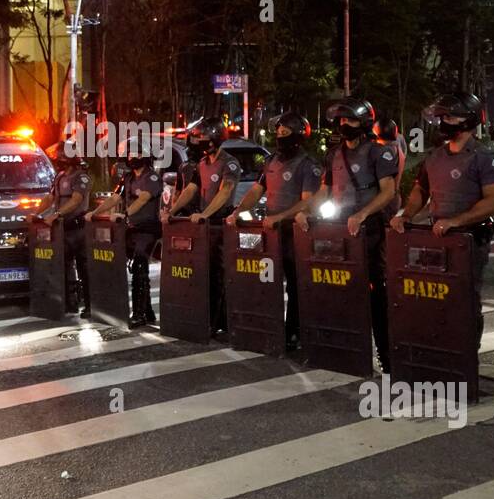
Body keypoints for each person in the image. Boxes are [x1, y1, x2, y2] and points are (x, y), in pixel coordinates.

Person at [391, 93, 494, 347]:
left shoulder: (485, 158)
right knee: (433, 294)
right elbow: (420, 191)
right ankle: (440, 346)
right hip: (435, 239)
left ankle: (466, 352)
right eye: (442, 117)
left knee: (464, 297)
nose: (444, 122)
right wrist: (405, 216)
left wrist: (456, 221)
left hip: (468, 239)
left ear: (469, 120)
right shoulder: (434, 157)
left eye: (451, 117)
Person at [299, 97, 399, 370]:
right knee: (338, 286)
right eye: (341, 120)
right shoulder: (333, 154)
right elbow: (325, 190)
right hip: (339, 229)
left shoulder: (379, 153)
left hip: (370, 228)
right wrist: (309, 211)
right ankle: (343, 349)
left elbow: (388, 191)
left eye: (350, 120)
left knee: (377, 290)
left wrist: (363, 214)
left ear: (364, 123)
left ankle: (387, 354)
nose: (345, 125)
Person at [227, 112, 321, 349]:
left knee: (295, 284)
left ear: (298, 136)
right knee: (265, 281)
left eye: (285, 133)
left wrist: (280, 217)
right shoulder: (270, 162)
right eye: (278, 133)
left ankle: (294, 332)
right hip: (270, 234)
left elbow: (308, 202)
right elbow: (256, 191)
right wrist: (238, 211)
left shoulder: (308, 165)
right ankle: (268, 327)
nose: (280, 137)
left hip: (293, 233)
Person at [173, 119, 242, 334]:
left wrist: (206, 214)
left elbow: (225, 191)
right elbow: (190, 189)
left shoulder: (229, 163)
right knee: (205, 273)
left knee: (220, 274)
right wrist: (172, 210)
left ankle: (221, 321)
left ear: (215, 139)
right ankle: (208, 318)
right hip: (203, 226)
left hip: (219, 223)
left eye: (203, 139)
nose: (199, 142)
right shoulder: (201, 164)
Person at [87, 137, 162, 327]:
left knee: (139, 265)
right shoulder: (127, 178)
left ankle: (139, 314)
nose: (131, 157)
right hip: (130, 229)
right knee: (115, 262)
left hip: (147, 229)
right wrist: (95, 213)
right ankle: (147, 311)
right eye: (128, 154)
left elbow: (144, 198)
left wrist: (125, 213)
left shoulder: (152, 178)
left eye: (135, 153)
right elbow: (114, 198)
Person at [41, 136, 92, 316]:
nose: (58, 159)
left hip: (79, 229)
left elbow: (77, 200)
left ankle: (90, 305)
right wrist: (35, 213)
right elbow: (50, 198)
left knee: (84, 267)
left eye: (61, 155)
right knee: (64, 266)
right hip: (63, 229)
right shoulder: (60, 176)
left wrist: (57, 214)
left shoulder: (81, 177)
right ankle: (70, 303)